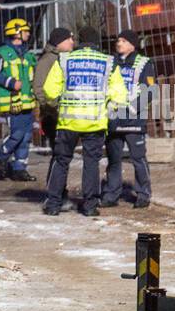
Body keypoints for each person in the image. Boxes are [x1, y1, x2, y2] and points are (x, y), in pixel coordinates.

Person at [40, 25, 128, 217]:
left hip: (68, 122)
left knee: (61, 161)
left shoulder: (64, 59)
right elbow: (120, 95)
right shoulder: (108, 62)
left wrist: (60, 100)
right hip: (95, 122)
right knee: (91, 163)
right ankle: (89, 206)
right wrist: (108, 103)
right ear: (97, 42)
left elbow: (50, 90)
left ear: (79, 41)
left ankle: (54, 204)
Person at [101, 29, 156, 209]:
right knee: (114, 159)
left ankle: (143, 194)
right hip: (114, 118)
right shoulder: (110, 63)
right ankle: (111, 194)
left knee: (138, 158)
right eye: (118, 40)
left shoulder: (144, 63)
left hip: (133, 119)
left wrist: (132, 109)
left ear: (133, 44)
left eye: (123, 41)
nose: (119, 43)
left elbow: (150, 90)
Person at [0, 18, 38, 181]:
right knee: (17, 135)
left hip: (27, 103)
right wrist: (10, 83)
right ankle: (1, 158)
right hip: (12, 103)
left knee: (25, 137)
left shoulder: (28, 55)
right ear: (16, 32)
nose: (29, 34)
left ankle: (19, 169)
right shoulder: (2, 53)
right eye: (26, 31)